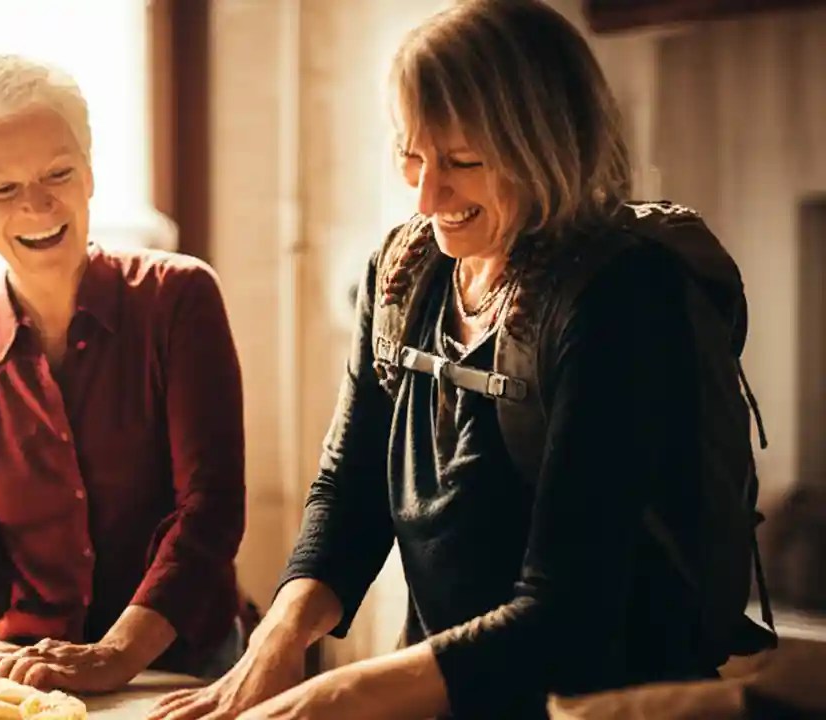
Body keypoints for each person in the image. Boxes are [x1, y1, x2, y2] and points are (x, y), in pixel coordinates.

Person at [149, 1, 770, 718]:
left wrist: (337, 692)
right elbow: (349, 492)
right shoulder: (405, 271)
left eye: (462, 162)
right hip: (453, 697)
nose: (425, 195)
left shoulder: (621, 297)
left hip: (603, 707)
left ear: (543, 147)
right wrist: (276, 640)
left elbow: (567, 613)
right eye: (410, 155)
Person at [0, 53, 246, 700]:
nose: (37, 205)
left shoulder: (180, 297)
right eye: (2, 190)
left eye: (57, 173)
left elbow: (209, 511)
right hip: (27, 673)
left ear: (88, 173)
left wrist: (113, 656)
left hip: (187, 664)